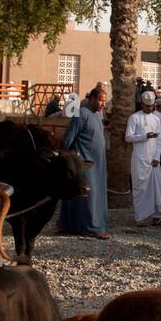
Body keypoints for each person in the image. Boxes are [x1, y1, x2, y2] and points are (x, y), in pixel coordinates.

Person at [60, 85, 110, 239]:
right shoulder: (81, 114)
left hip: (98, 163)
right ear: (92, 98)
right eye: (101, 101)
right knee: (87, 193)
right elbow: (69, 138)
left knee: (95, 193)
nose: (103, 104)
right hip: (85, 164)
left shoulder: (97, 115)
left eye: (104, 101)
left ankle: (77, 225)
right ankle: (91, 227)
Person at [125, 91, 161, 227]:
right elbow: (128, 137)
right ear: (141, 104)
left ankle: (157, 216)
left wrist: (157, 158)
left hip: (154, 159)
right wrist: (144, 136)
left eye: (151, 106)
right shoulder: (134, 118)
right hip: (140, 158)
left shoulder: (157, 119)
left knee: (157, 187)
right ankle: (140, 217)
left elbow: (159, 140)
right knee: (140, 188)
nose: (149, 108)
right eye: (147, 106)